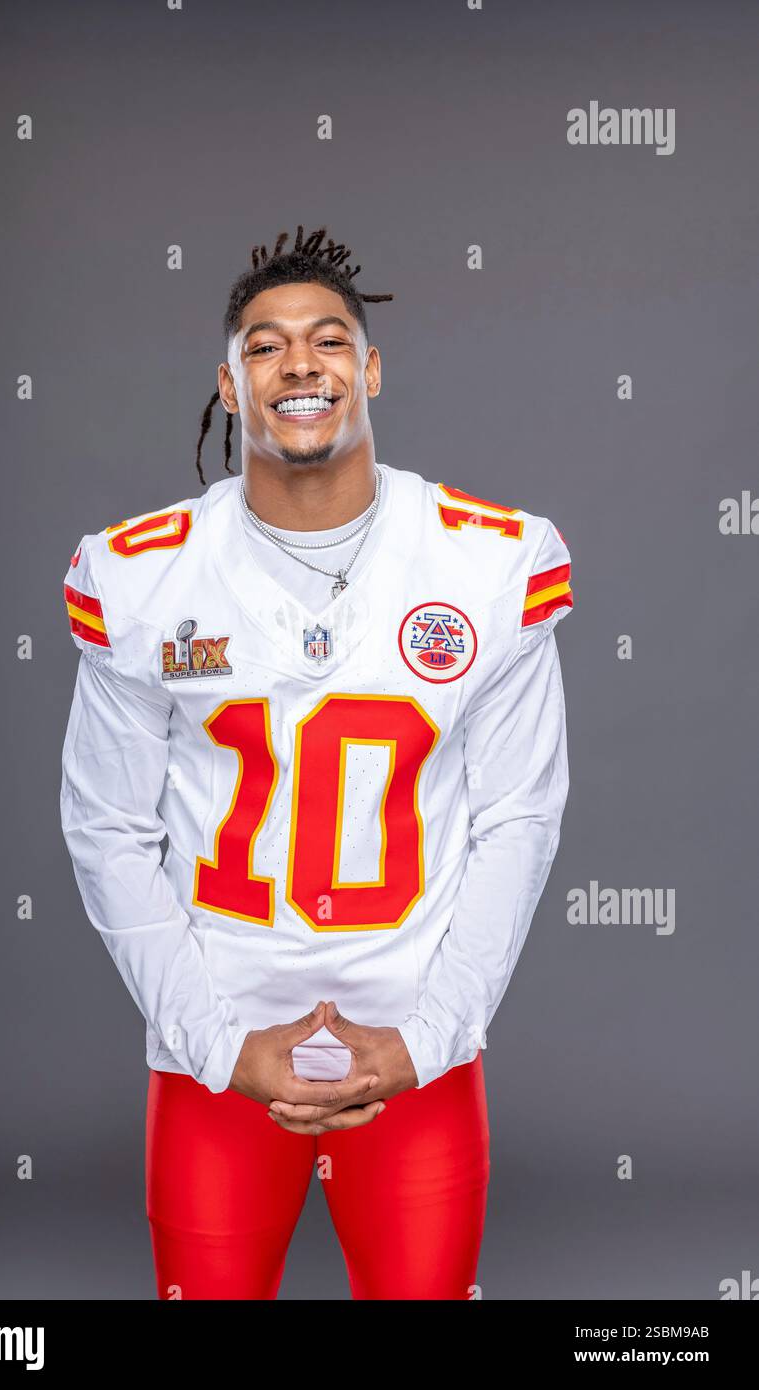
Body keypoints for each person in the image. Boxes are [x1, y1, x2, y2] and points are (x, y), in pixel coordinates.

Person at [60, 225, 574, 1300]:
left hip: (414, 1054)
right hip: (217, 1053)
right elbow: (108, 826)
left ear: (368, 369)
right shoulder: (141, 574)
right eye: (264, 344)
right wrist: (216, 1042)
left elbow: (516, 817)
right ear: (228, 380)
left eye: (328, 339)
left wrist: (427, 1034)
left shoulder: (487, 557)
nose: (299, 362)